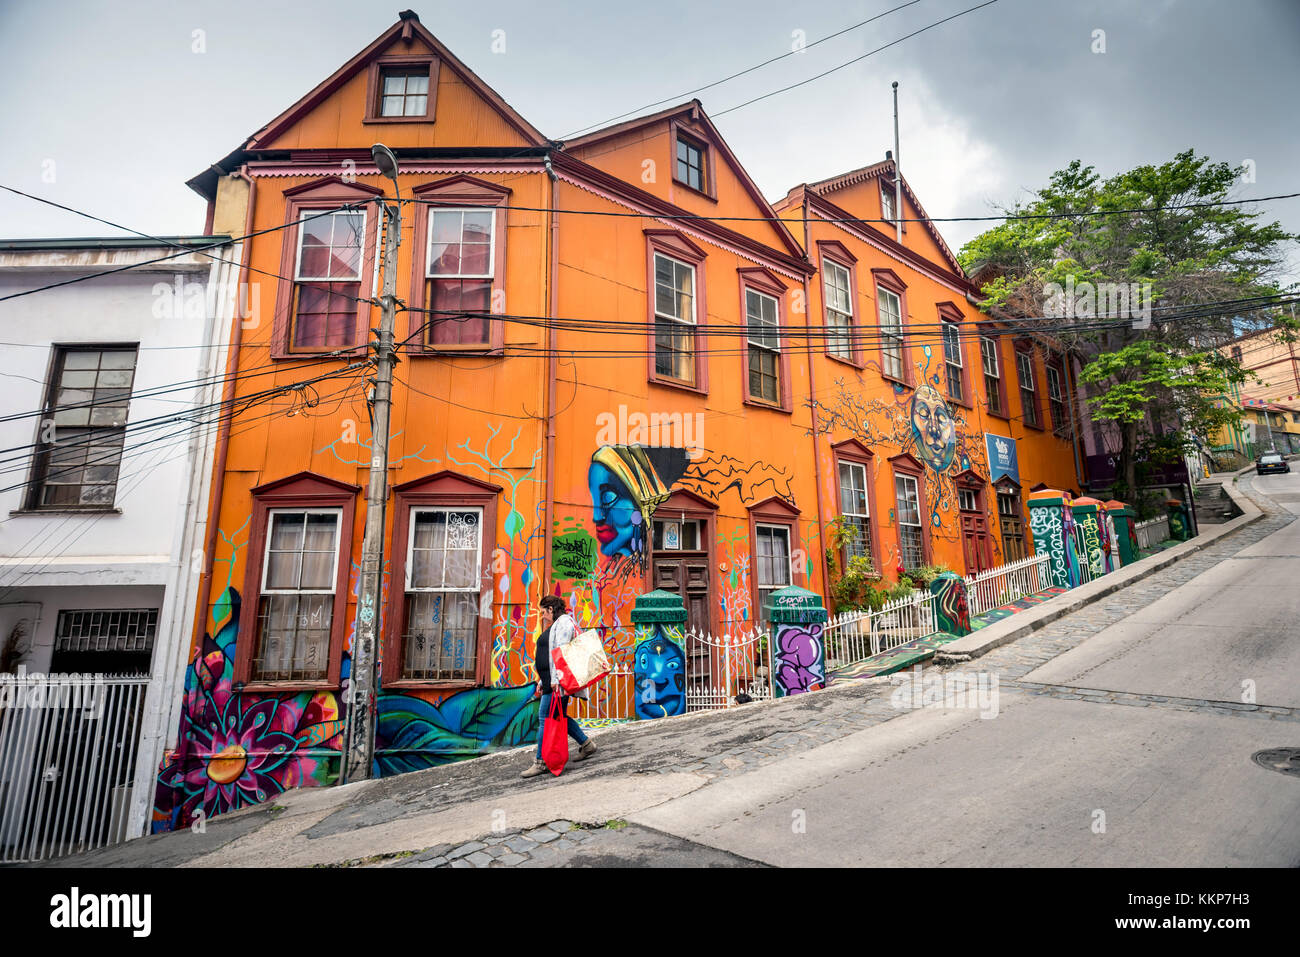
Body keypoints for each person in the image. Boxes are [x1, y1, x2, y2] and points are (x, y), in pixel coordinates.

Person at [520, 595, 596, 778]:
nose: (542, 616)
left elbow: (560, 654)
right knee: (558, 717)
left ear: (551, 610)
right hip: (550, 681)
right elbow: (549, 656)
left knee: (545, 719)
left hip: (556, 684)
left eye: (543, 612)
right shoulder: (557, 624)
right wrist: (542, 680)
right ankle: (587, 745)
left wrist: (555, 681)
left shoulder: (563, 624)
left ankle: (541, 762)